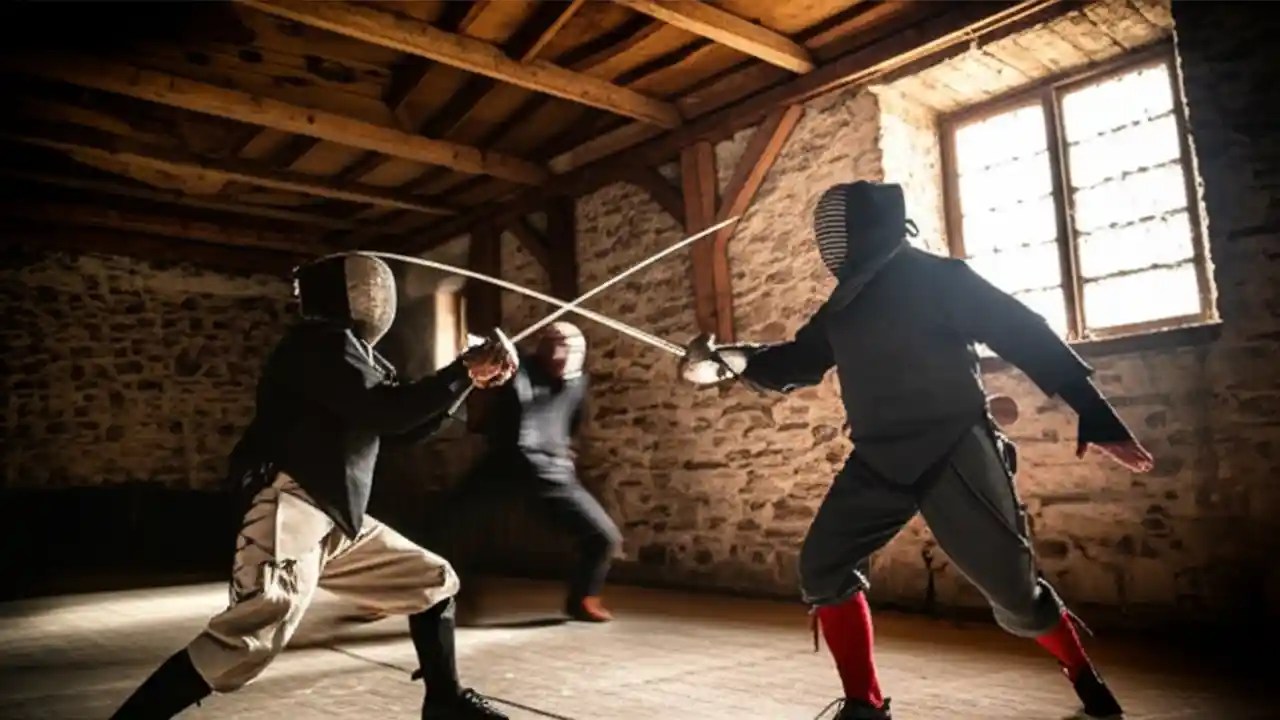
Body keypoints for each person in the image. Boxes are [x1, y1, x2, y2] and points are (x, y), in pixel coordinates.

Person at [677, 181, 1153, 720]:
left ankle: (1081, 671)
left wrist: (1092, 409)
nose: (827, 244)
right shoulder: (844, 306)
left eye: (834, 231)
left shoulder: (936, 277)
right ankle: (866, 705)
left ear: (859, 230)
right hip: (880, 456)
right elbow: (800, 360)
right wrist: (732, 361)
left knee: (1015, 591)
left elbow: (1023, 331)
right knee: (823, 566)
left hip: (954, 448)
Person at [109, 254, 519, 720]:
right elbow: (390, 412)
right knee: (245, 644)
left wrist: (467, 380)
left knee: (433, 581)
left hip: (335, 517)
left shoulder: (357, 355)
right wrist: (461, 371)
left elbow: (402, 429)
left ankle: (444, 702)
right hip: (291, 510)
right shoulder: (317, 343)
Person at [432, 321, 623, 623]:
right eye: (554, 344)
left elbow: (572, 423)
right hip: (505, 462)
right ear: (543, 345)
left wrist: (563, 454)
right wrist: (495, 352)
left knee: (604, 537)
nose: (560, 353)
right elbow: (507, 371)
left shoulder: (577, 383)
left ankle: (583, 598)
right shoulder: (521, 367)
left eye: (568, 348)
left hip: (552, 472)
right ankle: (426, 593)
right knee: (448, 525)